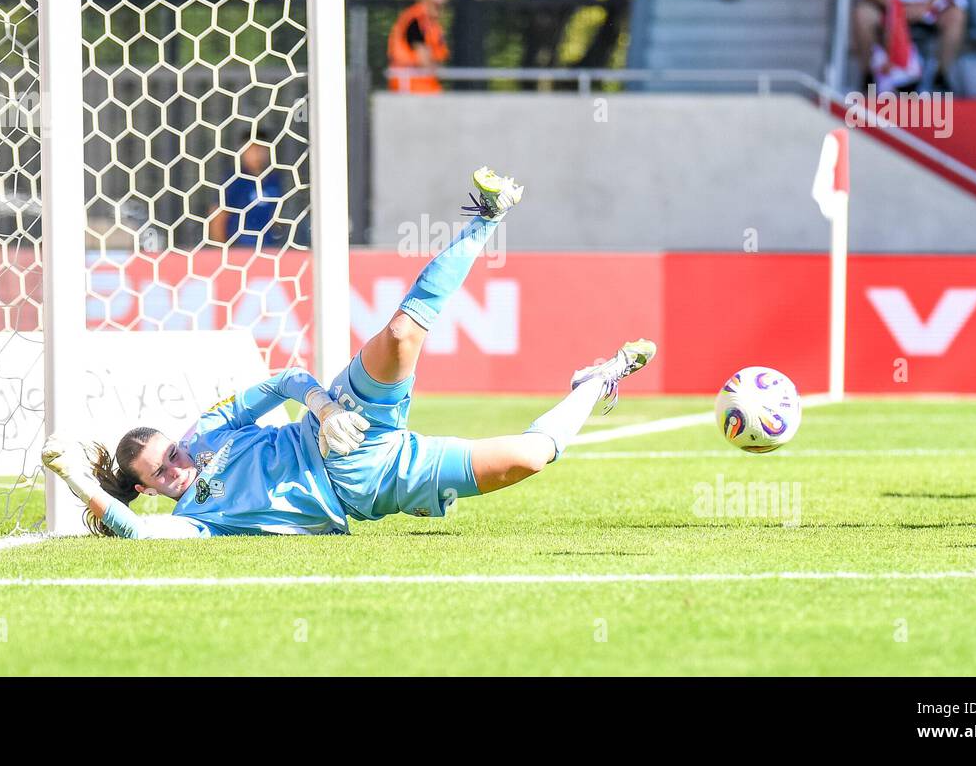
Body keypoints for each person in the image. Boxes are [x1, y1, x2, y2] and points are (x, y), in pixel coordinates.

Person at [43, 167, 658, 538]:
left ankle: (487, 218)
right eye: (163, 470)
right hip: (368, 488)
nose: (177, 463)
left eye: (170, 450)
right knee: (530, 458)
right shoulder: (194, 523)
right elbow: (131, 532)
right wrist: (73, 480)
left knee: (399, 335)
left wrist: (320, 405)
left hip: (339, 426)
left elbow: (281, 380)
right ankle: (597, 381)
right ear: (149, 488)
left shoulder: (206, 432)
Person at [206, 141, 288, 248]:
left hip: (270, 249)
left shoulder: (275, 180)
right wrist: (223, 249)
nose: (257, 154)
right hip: (240, 250)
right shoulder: (235, 181)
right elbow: (218, 215)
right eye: (252, 150)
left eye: (261, 149)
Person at [387, 0, 449, 93]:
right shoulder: (416, 20)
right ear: (425, 1)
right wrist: (435, 67)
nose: (438, 9)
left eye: (441, 5)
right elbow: (423, 58)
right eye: (435, 4)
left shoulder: (433, 26)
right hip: (409, 83)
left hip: (425, 83)